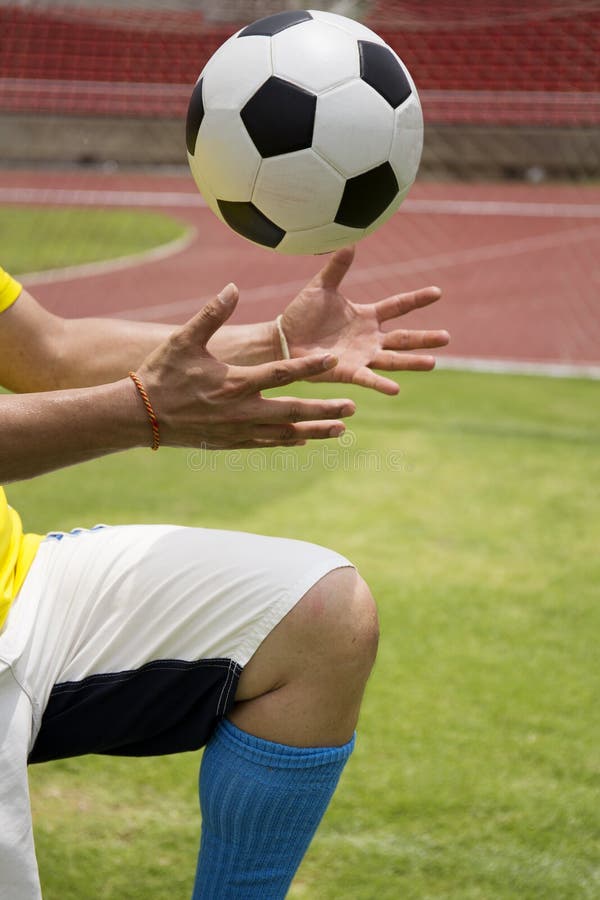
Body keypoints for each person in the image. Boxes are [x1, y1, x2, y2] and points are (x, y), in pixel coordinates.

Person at [0, 246, 448, 899]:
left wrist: (279, 344)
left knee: (319, 615)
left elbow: (48, 352)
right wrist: (141, 409)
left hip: (20, 589)